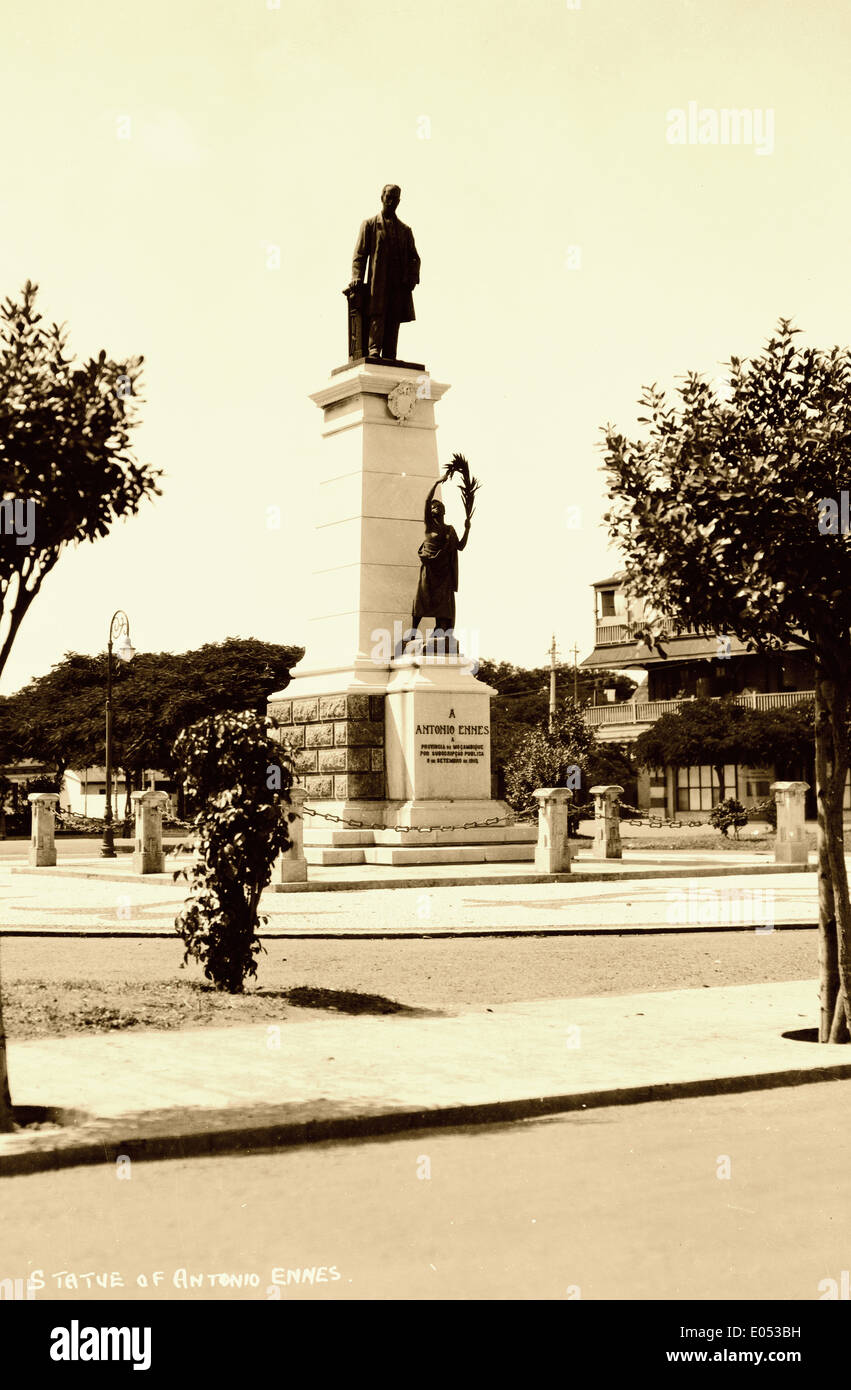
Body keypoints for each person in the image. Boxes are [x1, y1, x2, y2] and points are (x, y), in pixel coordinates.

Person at [348, 184, 420, 360]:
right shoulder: (370, 225)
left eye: (395, 198)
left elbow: (415, 258)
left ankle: (390, 353)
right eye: (388, 197)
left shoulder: (405, 230)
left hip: (398, 283)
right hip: (378, 281)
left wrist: (412, 277)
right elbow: (360, 254)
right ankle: (374, 349)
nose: (391, 201)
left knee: (394, 317)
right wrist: (357, 277)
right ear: (382, 198)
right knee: (377, 315)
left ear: (399, 201)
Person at [408, 480, 470, 650]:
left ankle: (440, 632)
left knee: (442, 605)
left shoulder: (449, 529)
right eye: (434, 507)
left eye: (439, 506)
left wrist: (467, 529)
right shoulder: (429, 526)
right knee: (421, 600)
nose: (436, 508)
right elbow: (427, 501)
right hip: (429, 569)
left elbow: (461, 546)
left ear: (444, 510)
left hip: (444, 573)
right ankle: (412, 632)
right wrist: (436, 483)